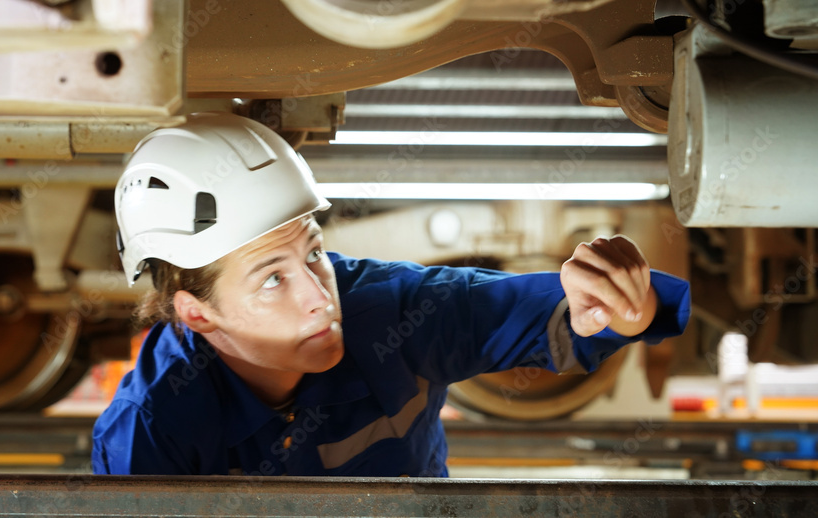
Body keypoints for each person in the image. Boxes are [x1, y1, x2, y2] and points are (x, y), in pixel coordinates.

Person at [91, 112, 690, 476]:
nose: (318, 296)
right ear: (198, 315)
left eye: (315, 254)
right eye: (272, 278)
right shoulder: (153, 427)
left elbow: (544, 314)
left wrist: (619, 309)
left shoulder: (393, 312)